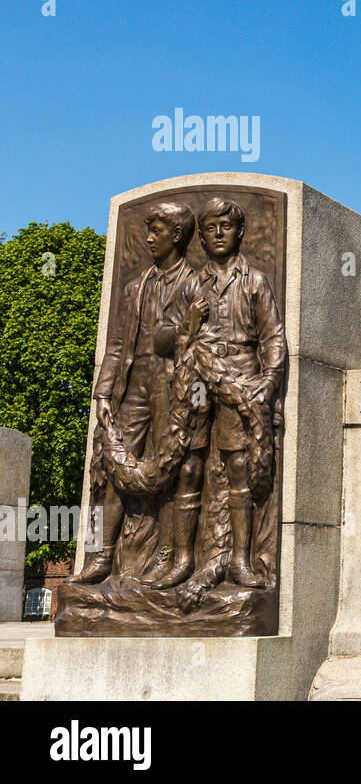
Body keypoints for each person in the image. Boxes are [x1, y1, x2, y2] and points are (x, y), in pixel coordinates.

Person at [70, 203, 202, 584]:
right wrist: (104, 393)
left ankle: (168, 556)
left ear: (176, 235)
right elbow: (115, 346)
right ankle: (101, 557)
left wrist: (178, 333)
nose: (148, 238)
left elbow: (203, 340)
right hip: (134, 387)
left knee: (169, 469)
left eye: (156, 231)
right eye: (146, 231)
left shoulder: (194, 283)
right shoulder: (134, 287)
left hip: (171, 388)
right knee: (112, 469)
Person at [186, 198, 287, 589]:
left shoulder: (255, 280)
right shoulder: (194, 282)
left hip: (239, 379)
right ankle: (182, 560)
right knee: (188, 465)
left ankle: (239, 562)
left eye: (225, 226)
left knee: (238, 469)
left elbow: (273, 337)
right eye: (210, 229)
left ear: (239, 231)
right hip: (195, 377)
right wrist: (189, 325)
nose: (218, 234)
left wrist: (269, 379)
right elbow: (170, 337)